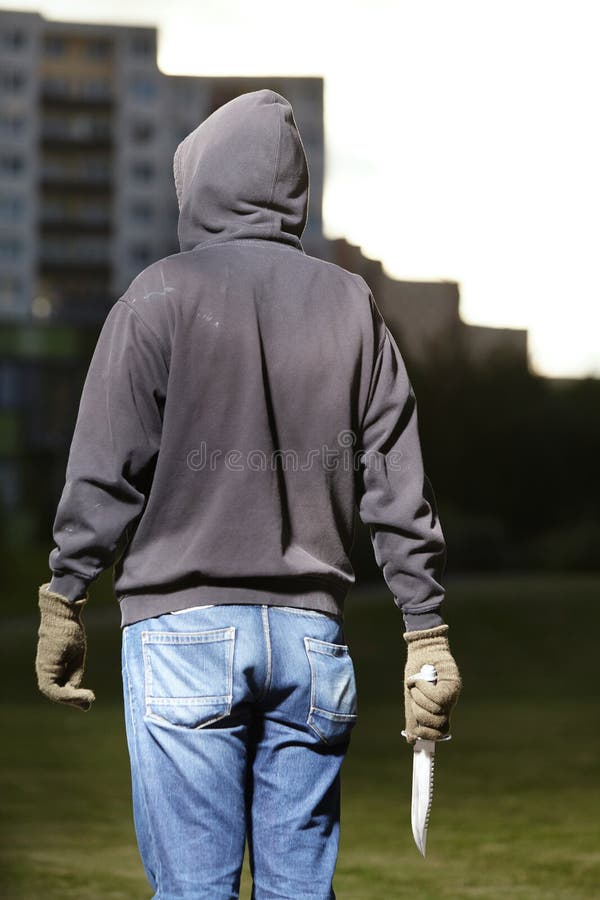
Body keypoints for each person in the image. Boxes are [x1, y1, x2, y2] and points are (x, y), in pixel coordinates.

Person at [35, 89, 461, 899]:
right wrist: (426, 631)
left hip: (182, 634)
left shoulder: (158, 295)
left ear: (198, 185)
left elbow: (102, 466)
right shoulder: (352, 305)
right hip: (311, 644)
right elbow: (397, 486)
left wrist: (65, 596)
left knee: (194, 891)